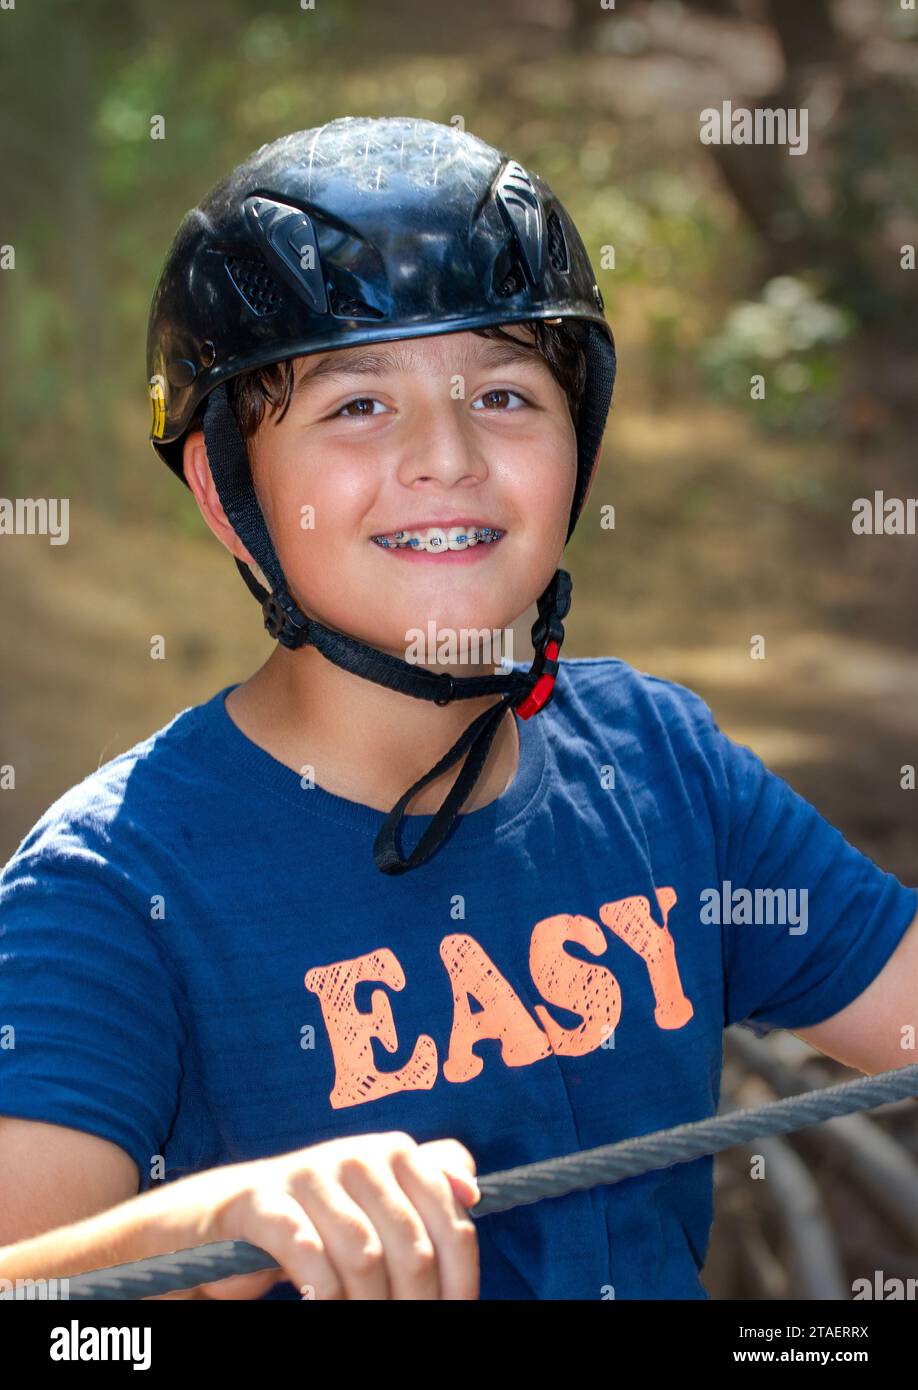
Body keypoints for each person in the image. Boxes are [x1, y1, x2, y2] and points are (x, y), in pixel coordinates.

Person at [0, 117, 916, 1302]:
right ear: (230, 497)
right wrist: (211, 1226)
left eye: (503, 391)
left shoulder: (658, 764)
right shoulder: (111, 889)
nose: (448, 455)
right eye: (357, 406)